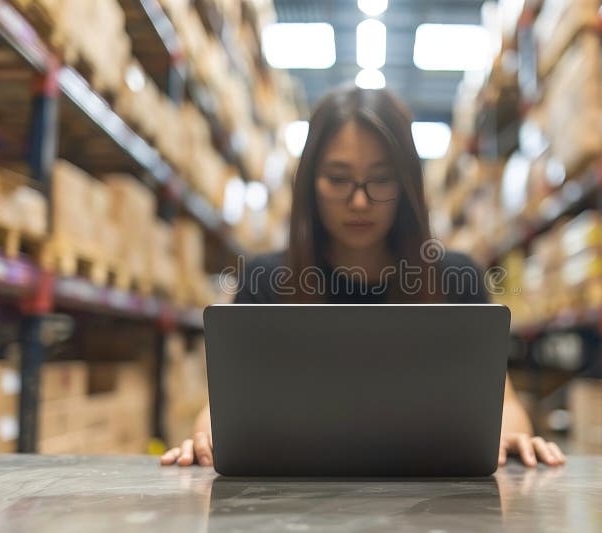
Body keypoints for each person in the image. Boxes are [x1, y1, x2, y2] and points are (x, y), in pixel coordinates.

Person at [161, 85, 565, 469]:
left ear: (407, 185)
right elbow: (221, 408)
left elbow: (503, 402)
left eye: (381, 180)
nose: (359, 201)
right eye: (338, 180)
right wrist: (206, 435)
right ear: (310, 185)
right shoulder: (265, 282)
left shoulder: (455, 278)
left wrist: (512, 435)